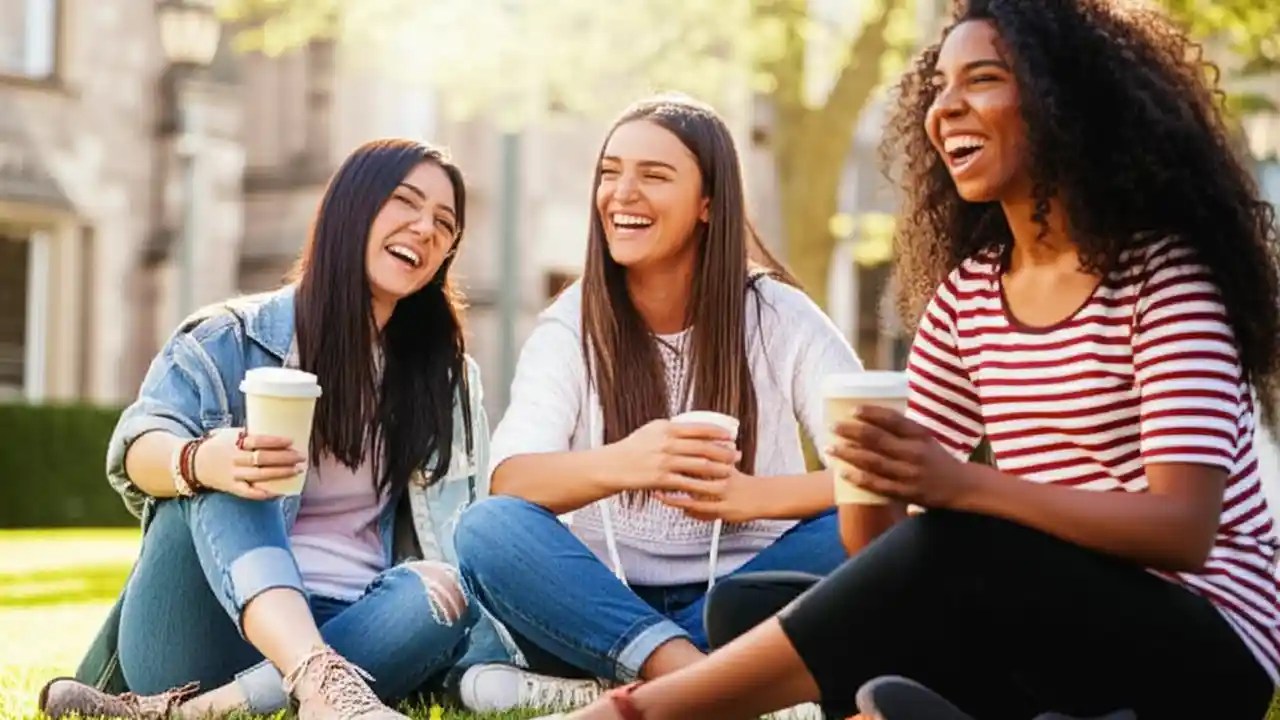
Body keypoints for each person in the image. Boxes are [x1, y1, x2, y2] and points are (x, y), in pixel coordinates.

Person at [546, 1, 1280, 718]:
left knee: (951, 552)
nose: (946, 108)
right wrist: (875, 472)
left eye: (982, 79)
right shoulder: (970, 295)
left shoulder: (1162, 275)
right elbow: (885, 545)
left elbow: (1182, 528)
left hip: (1207, 638)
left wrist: (962, 487)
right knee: (750, 606)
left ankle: (648, 711)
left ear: (1067, 99)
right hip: (1045, 623)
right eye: (938, 88)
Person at [38, 138, 491, 720]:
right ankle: (313, 681)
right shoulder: (229, 337)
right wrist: (202, 460)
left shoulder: (445, 380)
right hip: (207, 624)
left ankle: (198, 712)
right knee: (229, 471)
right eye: (405, 202)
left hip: (354, 624)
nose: (425, 228)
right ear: (350, 209)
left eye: (445, 222)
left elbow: (464, 529)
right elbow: (137, 450)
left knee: (441, 591)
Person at [451, 94, 860, 715]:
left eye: (654, 175)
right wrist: (628, 462)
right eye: (610, 172)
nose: (622, 193)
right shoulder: (572, 323)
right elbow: (511, 479)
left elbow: (881, 470)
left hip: (744, 598)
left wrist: (756, 496)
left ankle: (617, 692)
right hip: (599, 604)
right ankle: (700, 682)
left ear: (708, 204)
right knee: (488, 530)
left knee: (866, 531)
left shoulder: (777, 316)